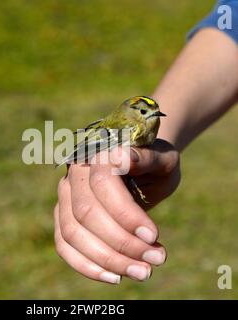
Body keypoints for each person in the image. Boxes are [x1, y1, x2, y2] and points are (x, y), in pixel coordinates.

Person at [54, 0, 238, 284]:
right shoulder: (129, 126)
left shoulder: (150, 124)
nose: (153, 117)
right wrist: (77, 157)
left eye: (155, 113)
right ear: (134, 114)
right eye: (145, 113)